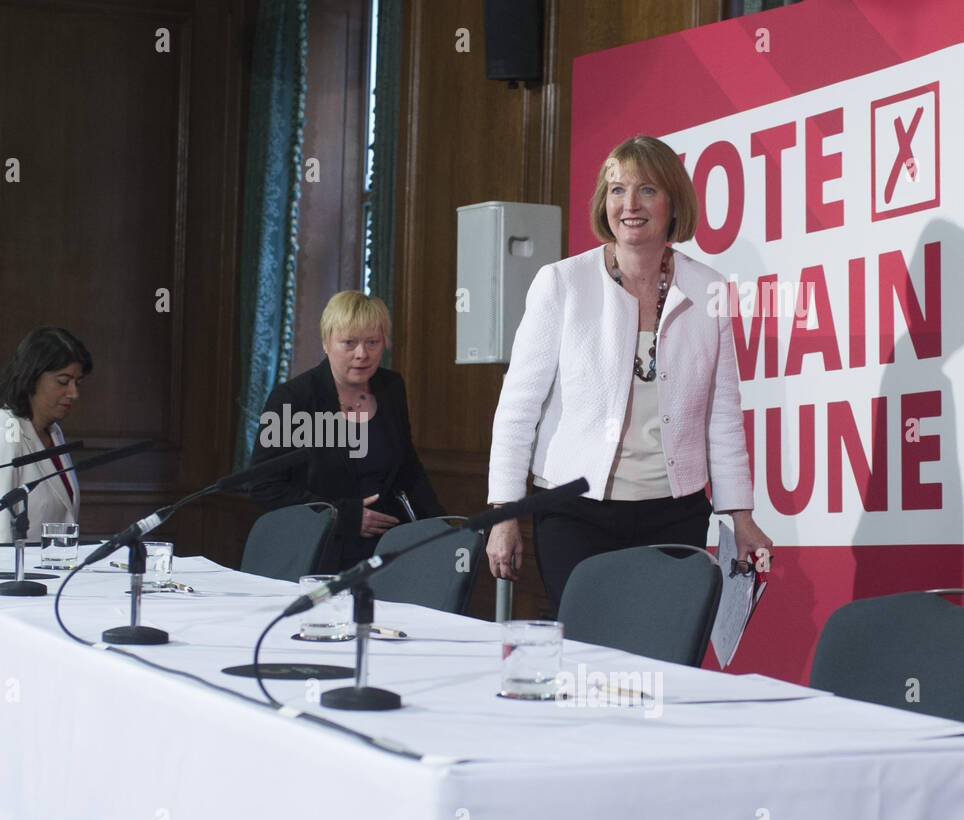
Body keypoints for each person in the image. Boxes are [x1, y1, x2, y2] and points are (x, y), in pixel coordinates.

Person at [486, 135, 772, 613]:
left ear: (673, 202)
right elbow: (517, 409)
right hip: (574, 510)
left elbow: (722, 415)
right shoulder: (562, 284)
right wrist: (504, 514)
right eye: (617, 190)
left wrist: (741, 517)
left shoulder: (709, 289)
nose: (629, 204)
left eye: (647, 190)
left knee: (662, 653)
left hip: (674, 514)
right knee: (588, 651)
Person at [249, 291, 443, 570]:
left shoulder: (390, 388)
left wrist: (441, 527)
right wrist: (341, 514)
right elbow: (264, 486)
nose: (362, 354)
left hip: (387, 549)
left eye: (372, 342)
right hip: (317, 550)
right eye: (349, 343)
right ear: (326, 342)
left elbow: (408, 468)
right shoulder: (293, 398)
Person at [0, 327, 91, 543]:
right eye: (63, 381)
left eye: (77, 383)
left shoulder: (53, 431)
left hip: (51, 572)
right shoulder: (1, 433)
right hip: (17, 575)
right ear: (32, 377)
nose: (74, 393)